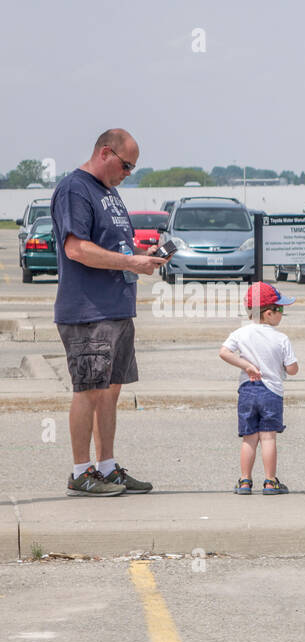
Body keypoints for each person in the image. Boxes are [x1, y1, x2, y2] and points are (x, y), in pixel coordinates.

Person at [52, 128, 166, 496]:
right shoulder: (76, 189)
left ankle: (106, 467)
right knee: (88, 389)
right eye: (127, 165)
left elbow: (113, 245)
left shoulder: (110, 194)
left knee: (110, 392)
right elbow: (77, 249)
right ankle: (81, 472)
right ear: (105, 153)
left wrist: (140, 257)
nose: (129, 174)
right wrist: (131, 262)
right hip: (88, 310)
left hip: (116, 308)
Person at [219, 282, 300, 495]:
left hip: (247, 390)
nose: (282, 314)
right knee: (268, 438)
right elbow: (292, 369)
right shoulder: (281, 338)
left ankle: (245, 481)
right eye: (280, 310)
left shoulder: (241, 333)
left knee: (249, 438)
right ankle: (270, 481)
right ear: (269, 313)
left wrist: (246, 365)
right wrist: (287, 366)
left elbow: (224, 352)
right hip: (271, 392)